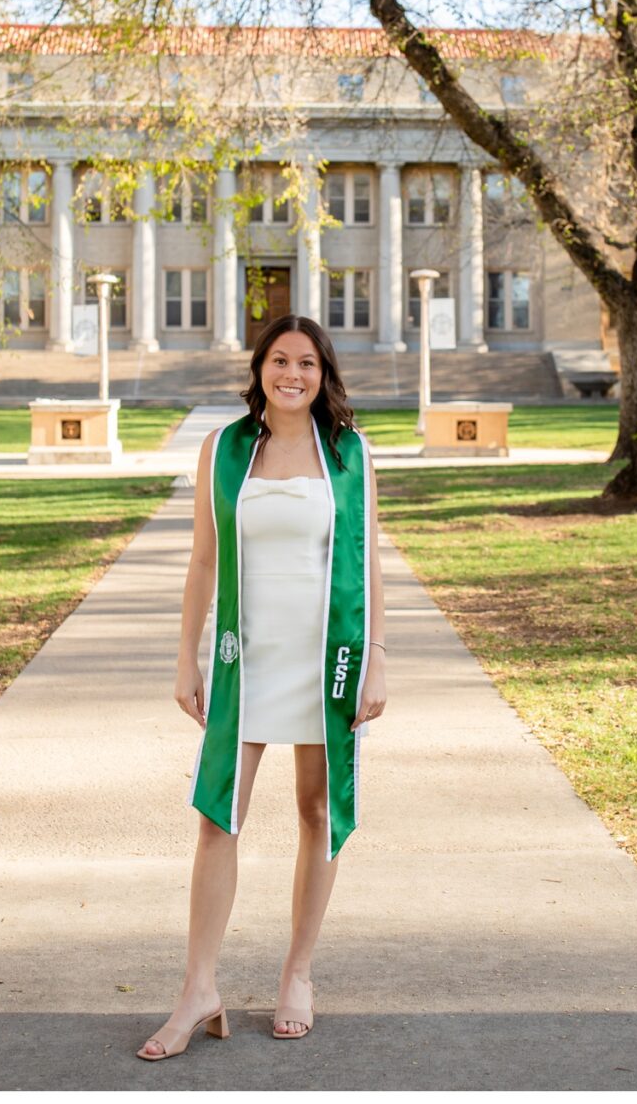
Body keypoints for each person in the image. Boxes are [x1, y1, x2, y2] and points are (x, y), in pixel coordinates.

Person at [137, 315, 388, 1060]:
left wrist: (377, 655)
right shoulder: (224, 450)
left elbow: (370, 562)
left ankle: (297, 974)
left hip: (327, 655)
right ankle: (199, 989)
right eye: (280, 360)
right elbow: (202, 564)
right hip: (245, 656)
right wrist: (186, 659)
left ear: (323, 374)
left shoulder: (349, 452)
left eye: (307, 363)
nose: (293, 374)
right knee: (220, 815)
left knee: (317, 810)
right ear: (260, 369)